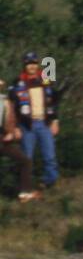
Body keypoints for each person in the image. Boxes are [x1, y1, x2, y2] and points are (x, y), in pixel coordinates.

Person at [8, 51, 58, 189]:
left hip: (44, 124)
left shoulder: (45, 80)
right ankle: (26, 186)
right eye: (29, 63)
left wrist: (55, 121)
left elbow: (53, 102)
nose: (32, 66)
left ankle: (49, 183)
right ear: (24, 65)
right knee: (26, 158)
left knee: (50, 157)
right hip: (26, 125)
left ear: (37, 64)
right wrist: (15, 127)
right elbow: (12, 107)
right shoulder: (18, 83)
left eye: (34, 63)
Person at [0, 78, 39, 202]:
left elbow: (9, 119)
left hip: (4, 139)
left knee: (25, 161)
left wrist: (12, 131)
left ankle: (24, 193)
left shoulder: (4, 100)